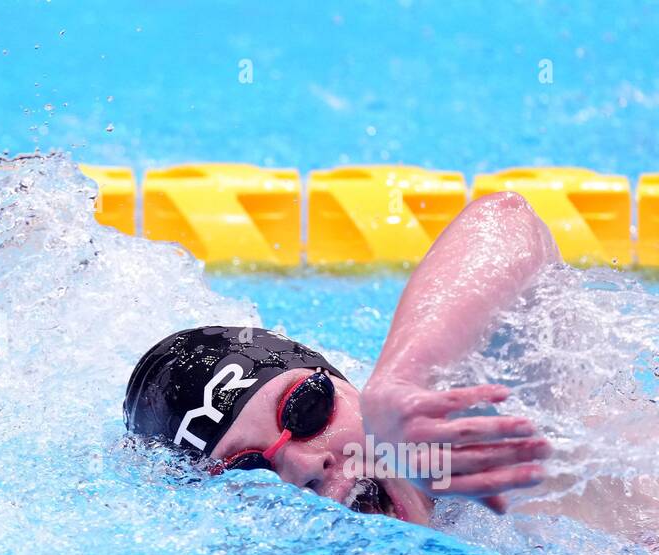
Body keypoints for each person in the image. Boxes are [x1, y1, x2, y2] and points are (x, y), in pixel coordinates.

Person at [123, 191, 557, 526]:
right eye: (250, 468)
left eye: (307, 408)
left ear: (346, 383)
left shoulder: (485, 412)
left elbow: (507, 219)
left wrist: (402, 377)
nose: (307, 466)